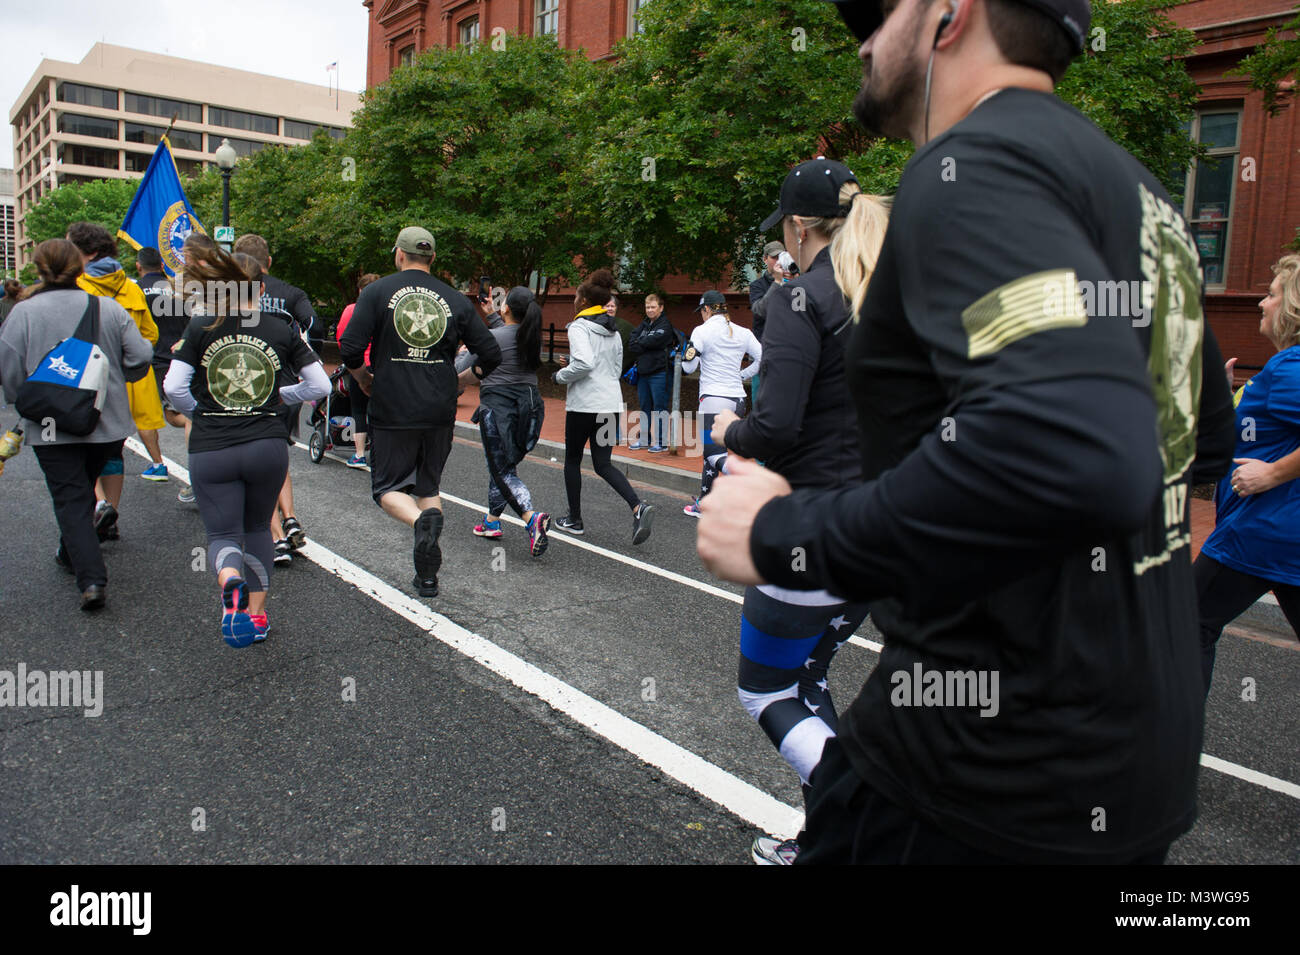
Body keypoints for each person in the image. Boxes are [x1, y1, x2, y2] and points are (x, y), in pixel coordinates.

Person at [697, 0, 1235, 864]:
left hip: (975, 777)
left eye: (876, 13)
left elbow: (1074, 449)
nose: (863, 38)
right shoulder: (1143, 194)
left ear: (951, 13)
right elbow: (1200, 444)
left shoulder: (972, 168)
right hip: (1134, 770)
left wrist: (781, 531)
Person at [710, 159, 889, 865]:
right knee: (807, 681)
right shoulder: (888, 297)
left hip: (810, 528)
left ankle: (866, 817)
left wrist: (728, 430)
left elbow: (776, 425)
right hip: (880, 527)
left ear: (796, 228)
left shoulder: (798, 299)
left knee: (766, 692)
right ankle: (827, 839)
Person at [164, 249, 329, 646]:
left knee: (222, 533)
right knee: (257, 528)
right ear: (260, 287)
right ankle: (255, 617)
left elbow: (173, 388)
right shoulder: (279, 328)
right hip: (265, 442)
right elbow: (320, 387)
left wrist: (205, 409)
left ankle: (229, 579)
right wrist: (273, 398)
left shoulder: (201, 324)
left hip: (212, 445)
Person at [339, 226, 503, 598]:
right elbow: (491, 354)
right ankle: (427, 576)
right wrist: (464, 378)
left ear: (399, 254)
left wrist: (364, 378)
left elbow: (349, 346)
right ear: (433, 258)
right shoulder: (455, 300)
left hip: (392, 404)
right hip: (438, 407)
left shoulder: (378, 291)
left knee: (386, 489)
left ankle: (418, 522)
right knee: (428, 486)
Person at [0, 239, 153, 610]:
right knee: (82, 488)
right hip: (103, 420)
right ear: (80, 269)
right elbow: (142, 354)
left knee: (70, 496)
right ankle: (72, 554)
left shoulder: (23, 312)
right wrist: (118, 377)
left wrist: (27, 398)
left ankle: (92, 579)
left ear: (38, 270)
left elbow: (9, 370)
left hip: (52, 424)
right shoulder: (109, 309)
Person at [1195, 253, 1300, 692]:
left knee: (1187, 624)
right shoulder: (1284, 367)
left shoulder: (1290, 367)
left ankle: (1170, 750)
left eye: (1272, 295)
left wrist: (1273, 474)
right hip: (1280, 537)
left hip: (1260, 532)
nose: (1262, 303)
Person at [65, 223, 169, 546]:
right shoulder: (131, 288)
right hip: (127, 382)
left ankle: (97, 507)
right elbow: (149, 337)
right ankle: (110, 516)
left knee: (79, 450)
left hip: (85, 382)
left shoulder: (76, 285)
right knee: (113, 449)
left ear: (89, 253)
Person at [552, 269, 655, 543]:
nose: (574, 299)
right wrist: (575, 365)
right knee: (603, 463)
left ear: (584, 300)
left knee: (572, 460)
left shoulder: (579, 326)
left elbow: (585, 364)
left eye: (576, 295)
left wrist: (560, 376)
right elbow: (612, 366)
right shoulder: (614, 329)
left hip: (585, 405)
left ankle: (574, 519)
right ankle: (637, 506)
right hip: (610, 403)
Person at [233, 233, 317, 566]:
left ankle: (277, 538)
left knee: (253, 469)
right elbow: (312, 324)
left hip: (248, 390)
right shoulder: (292, 294)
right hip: (286, 389)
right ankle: (290, 516)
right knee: (274, 455)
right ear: (268, 262)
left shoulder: (222, 304)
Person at [460, 286, 552, 556]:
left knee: (502, 471)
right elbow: (510, 335)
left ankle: (530, 517)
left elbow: (460, 371)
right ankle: (492, 521)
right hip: (531, 409)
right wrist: (492, 317)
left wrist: (462, 355)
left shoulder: (490, 339)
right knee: (503, 466)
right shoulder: (532, 339)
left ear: (507, 308)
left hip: (500, 409)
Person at [680, 290, 761, 518]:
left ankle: (746, 479)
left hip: (714, 401)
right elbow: (764, 356)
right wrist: (742, 375)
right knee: (715, 451)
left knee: (711, 453)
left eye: (702, 312)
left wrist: (686, 353)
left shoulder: (701, 331)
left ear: (707, 309)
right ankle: (705, 503)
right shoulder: (742, 332)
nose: (701, 316)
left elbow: (688, 368)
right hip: (738, 401)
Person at [335, 272, 380, 468]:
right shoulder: (386, 310)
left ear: (360, 290)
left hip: (360, 364)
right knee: (380, 410)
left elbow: (342, 338)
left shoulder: (351, 310)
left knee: (359, 409)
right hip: (382, 365)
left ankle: (360, 454)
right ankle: (381, 454)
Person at [627, 293, 674, 452]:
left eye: (653, 307)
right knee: (644, 407)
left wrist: (642, 341)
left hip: (659, 373)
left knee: (660, 407)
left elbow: (652, 341)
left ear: (661, 308)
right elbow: (632, 342)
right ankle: (645, 440)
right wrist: (644, 342)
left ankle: (661, 442)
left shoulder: (665, 325)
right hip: (643, 373)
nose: (650, 310)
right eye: (647, 307)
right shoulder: (645, 324)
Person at [747, 240, 786, 406]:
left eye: (781, 256)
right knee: (760, 400)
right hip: (762, 350)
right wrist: (777, 283)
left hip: (787, 349)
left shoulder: (794, 282)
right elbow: (760, 310)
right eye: (773, 257)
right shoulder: (757, 286)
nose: (777, 261)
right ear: (765, 259)